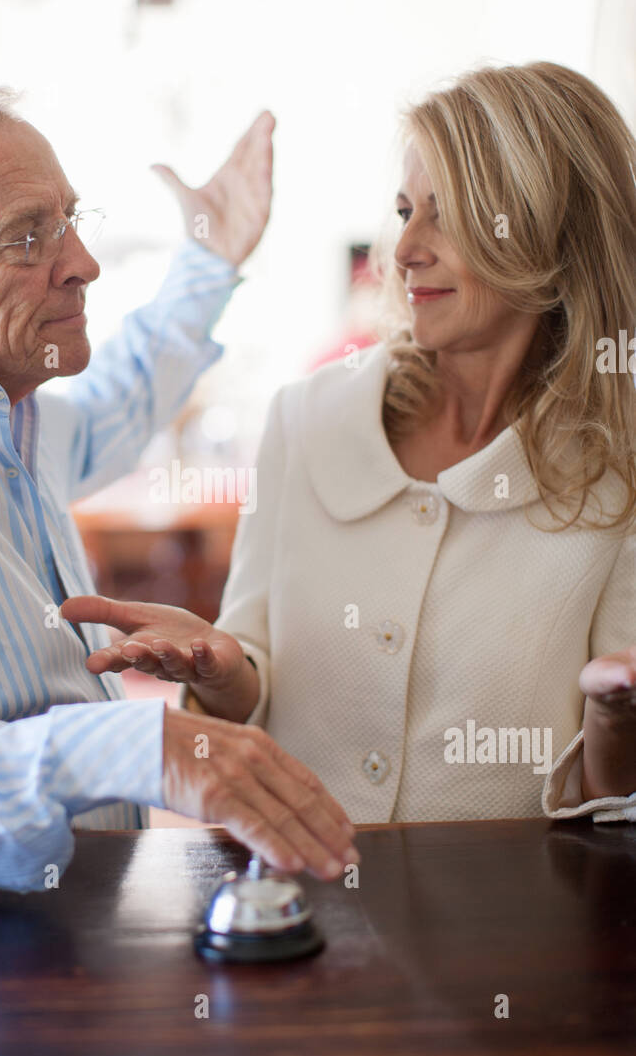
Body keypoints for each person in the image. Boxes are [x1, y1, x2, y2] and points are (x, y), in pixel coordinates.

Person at [0, 81, 359, 907]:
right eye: (26, 238)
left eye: (70, 221)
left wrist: (208, 259)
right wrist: (126, 746)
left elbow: (119, 404)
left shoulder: (3, 405)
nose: (81, 263)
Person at [63, 62, 636, 827]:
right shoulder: (307, 418)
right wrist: (224, 667)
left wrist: (617, 719)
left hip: (512, 926)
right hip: (295, 907)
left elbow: (609, 801)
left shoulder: (619, 471)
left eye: (449, 214)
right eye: (405, 210)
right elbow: (249, 675)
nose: (404, 250)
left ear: (551, 233)